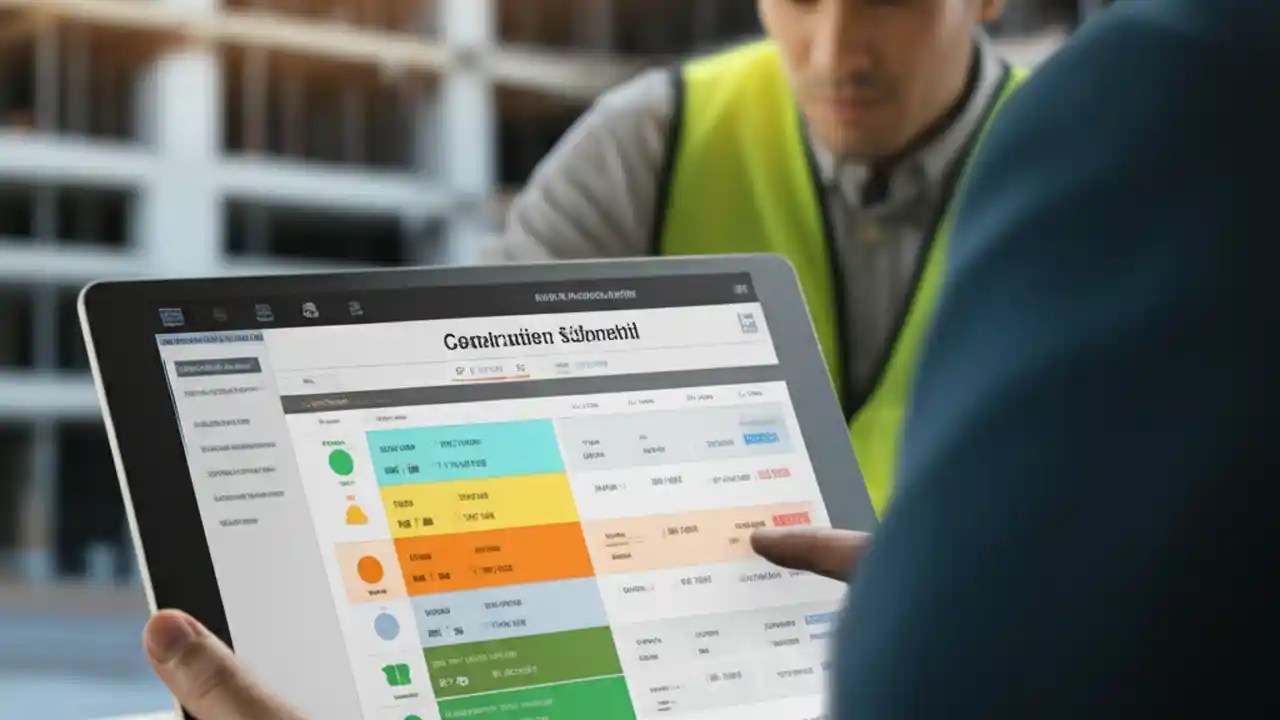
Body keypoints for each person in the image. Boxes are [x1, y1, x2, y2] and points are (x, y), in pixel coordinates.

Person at [136, 0, 1279, 716]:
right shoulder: (653, 139)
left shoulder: (1110, 156)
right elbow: (444, 420)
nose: (834, 47)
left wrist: (944, 610)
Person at [489, 0, 1025, 515]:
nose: (834, 56)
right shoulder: (647, 145)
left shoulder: (1068, 175)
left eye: (887, 2)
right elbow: (491, 418)